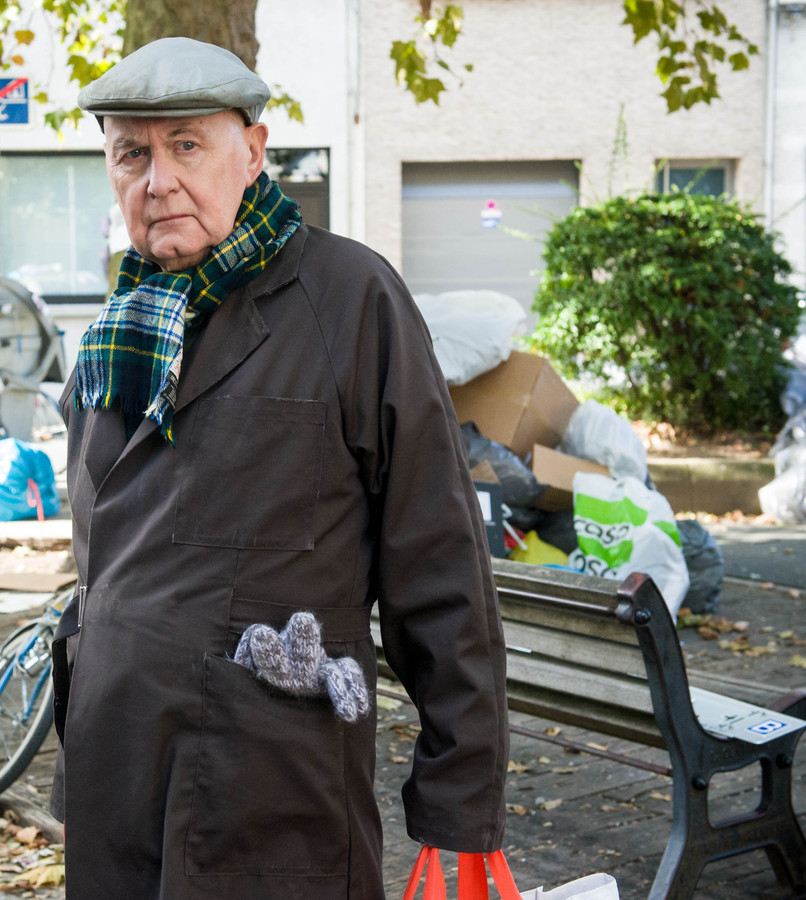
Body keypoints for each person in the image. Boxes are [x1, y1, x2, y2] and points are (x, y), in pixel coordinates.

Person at [49, 36, 508, 900]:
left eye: (188, 145)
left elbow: (438, 555)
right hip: (116, 761)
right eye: (131, 153)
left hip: (266, 769)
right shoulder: (121, 322)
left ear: (252, 153)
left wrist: (460, 796)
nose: (158, 180)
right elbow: (101, 560)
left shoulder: (349, 297)